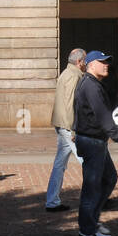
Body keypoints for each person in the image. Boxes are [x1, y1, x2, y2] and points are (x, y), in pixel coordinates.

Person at [71, 50, 118, 236]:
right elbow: (102, 115)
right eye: (102, 61)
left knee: (109, 178)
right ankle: (87, 231)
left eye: (107, 61)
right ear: (90, 64)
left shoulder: (92, 84)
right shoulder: (91, 86)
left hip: (95, 140)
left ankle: (92, 221)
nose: (106, 65)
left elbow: (82, 109)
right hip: (91, 141)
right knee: (92, 187)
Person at [45, 48, 86, 213]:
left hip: (62, 125)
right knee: (88, 162)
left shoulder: (66, 73)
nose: (86, 64)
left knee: (59, 165)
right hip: (69, 127)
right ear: (79, 61)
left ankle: (52, 201)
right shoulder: (74, 76)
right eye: (85, 60)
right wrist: (74, 129)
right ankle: (97, 199)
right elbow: (71, 104)